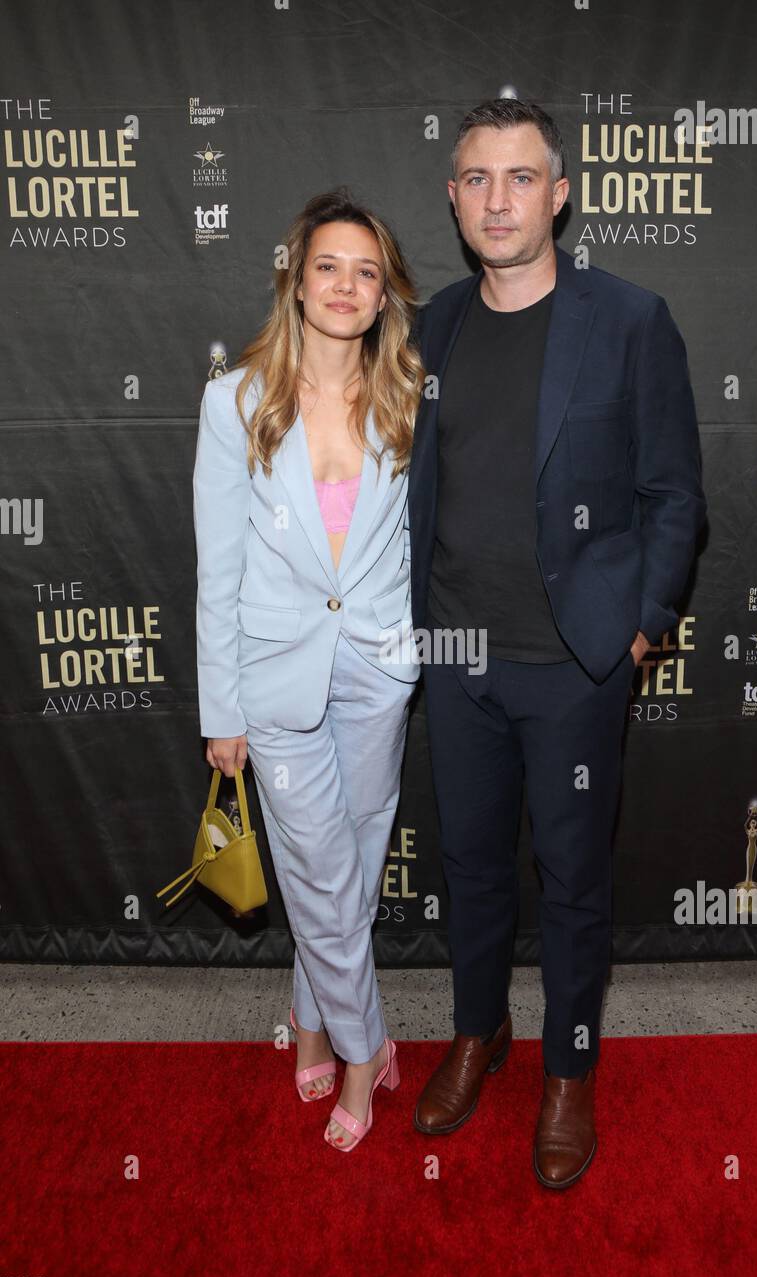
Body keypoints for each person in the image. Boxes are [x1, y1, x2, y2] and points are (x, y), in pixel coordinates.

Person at [408, 98, 707, 1188]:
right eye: (476, 179)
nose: (497, 199)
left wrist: (641, 621)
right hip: (454, 660)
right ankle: (476, 1035)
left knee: (572, 879)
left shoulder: (628, 319)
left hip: (573, 663)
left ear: (559, 192)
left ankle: (568, 1071)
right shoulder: (430, 323)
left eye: (519, 177)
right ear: (452, 196)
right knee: (472, 866)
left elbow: (673, 493)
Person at [193, 189, 424, 1152]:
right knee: (324, 873)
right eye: (328, 265)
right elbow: (217, 566)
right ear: (296, 278)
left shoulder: (412, 396)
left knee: (353, 864)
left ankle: (317, 1017)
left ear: (383, 298)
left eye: (366, 272)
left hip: (377, 673)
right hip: (274, 683)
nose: (346, 285)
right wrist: (222, 707)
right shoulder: (234, 400)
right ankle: (366, 1050)